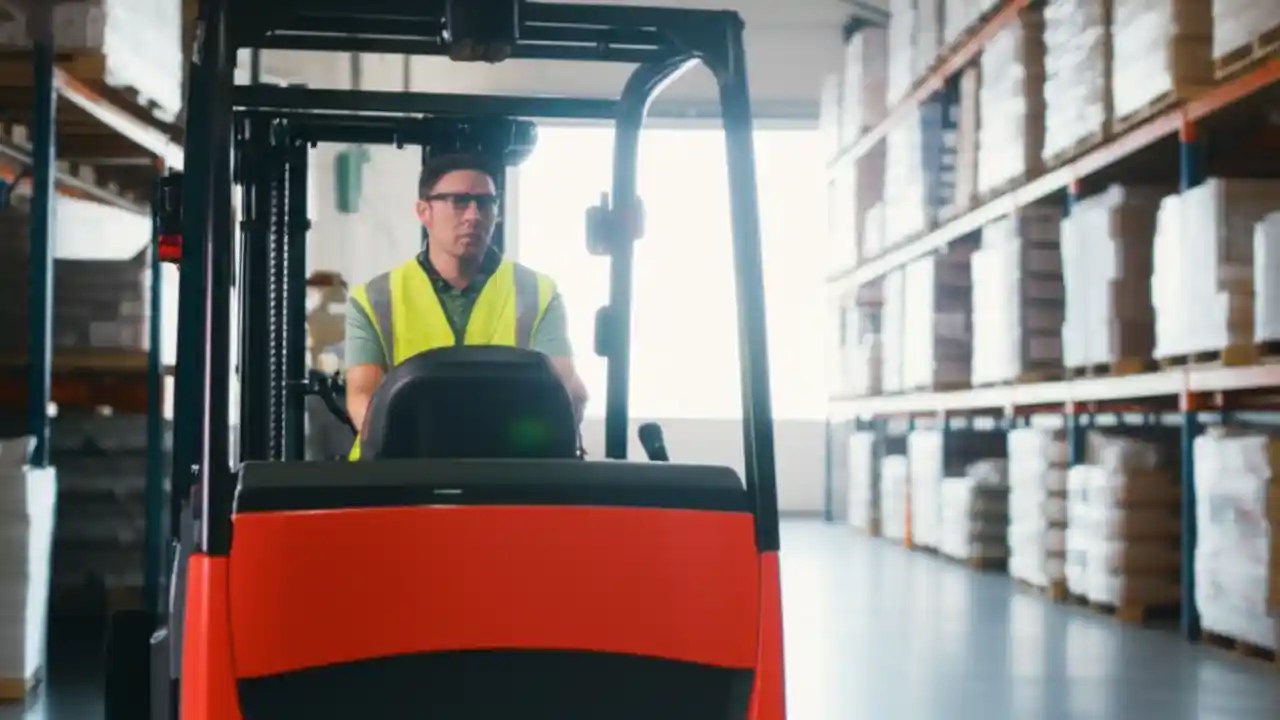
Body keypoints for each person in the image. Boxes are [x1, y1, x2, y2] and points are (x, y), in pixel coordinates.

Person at [343, 153, 589, 445]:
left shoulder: (538, 293)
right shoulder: (374, 299)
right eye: (459, 201)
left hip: (505, 475)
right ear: (424, 212)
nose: (474, 216)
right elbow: (362, 398)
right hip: (403, 478)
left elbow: (566, 394)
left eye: (485, 203)